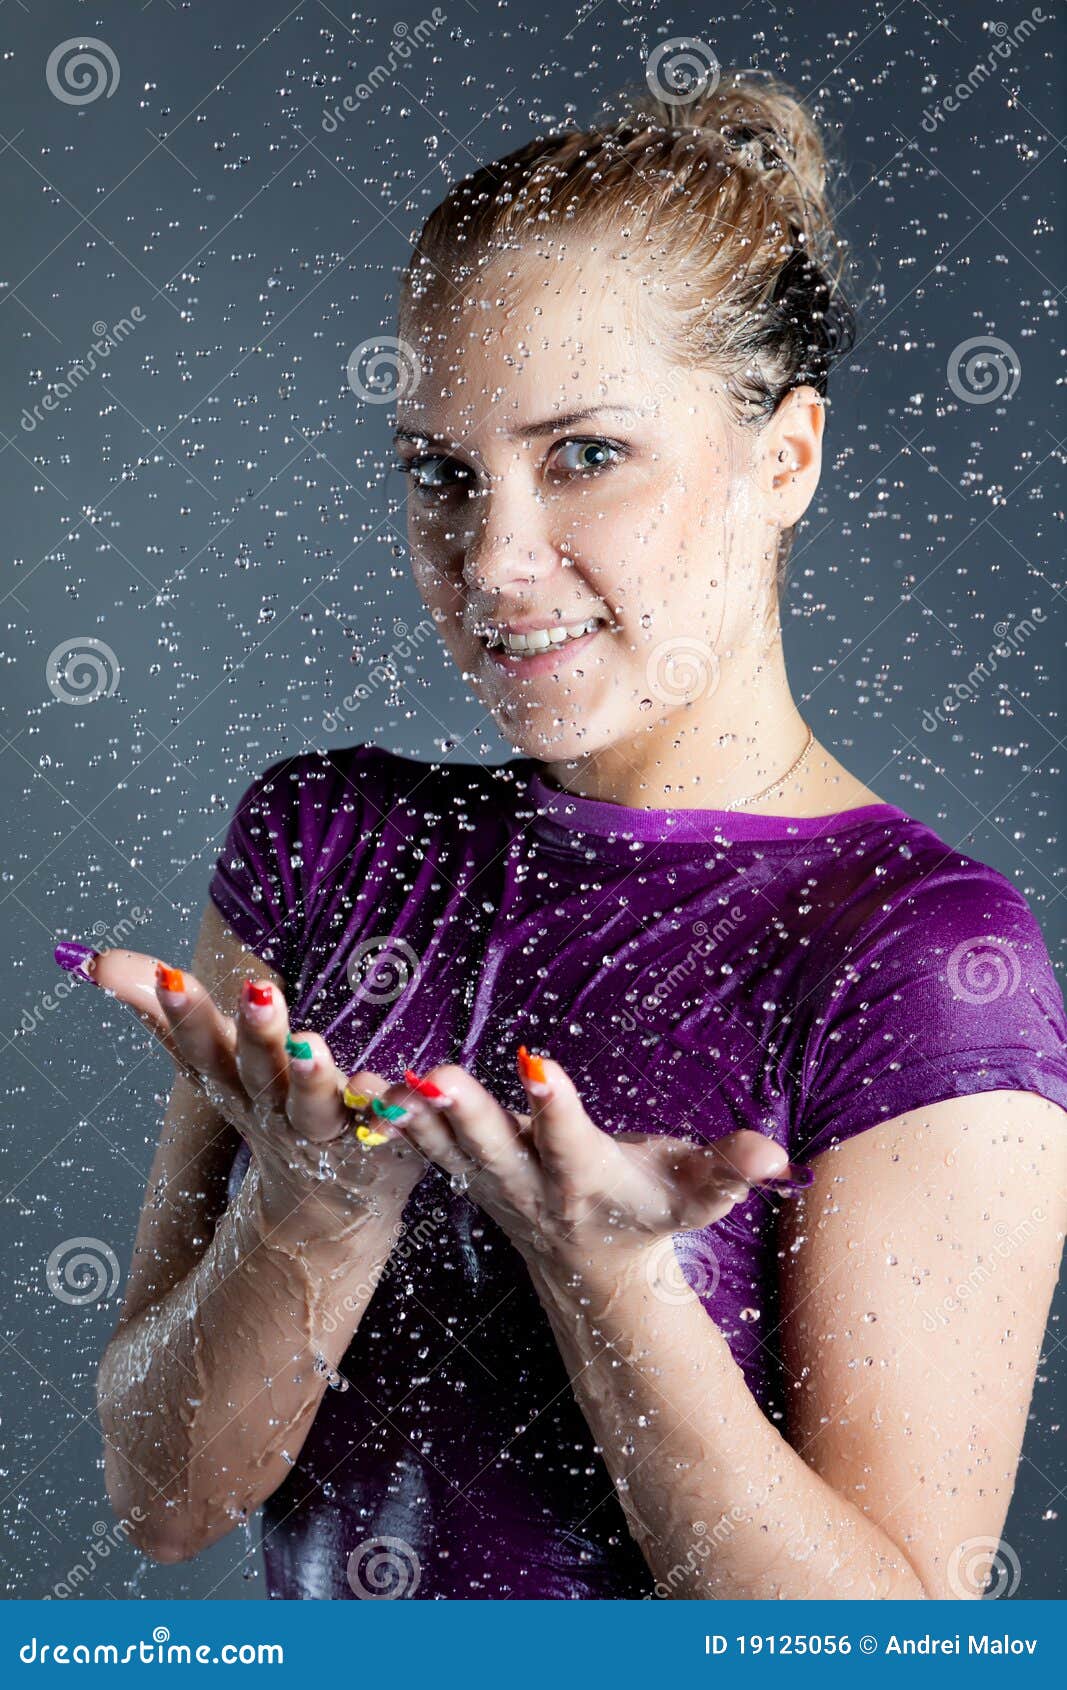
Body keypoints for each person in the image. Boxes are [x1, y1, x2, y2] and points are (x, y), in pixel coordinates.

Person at [64, 70, 1066, 1601]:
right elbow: (163, 1496)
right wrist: (307, 1213)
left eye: (585, 455)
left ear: (784, 458)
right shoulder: (323, 839)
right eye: (442, 475)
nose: (495, 558)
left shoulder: (923, 954)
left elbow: (885, 1649)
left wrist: (610, 1282)